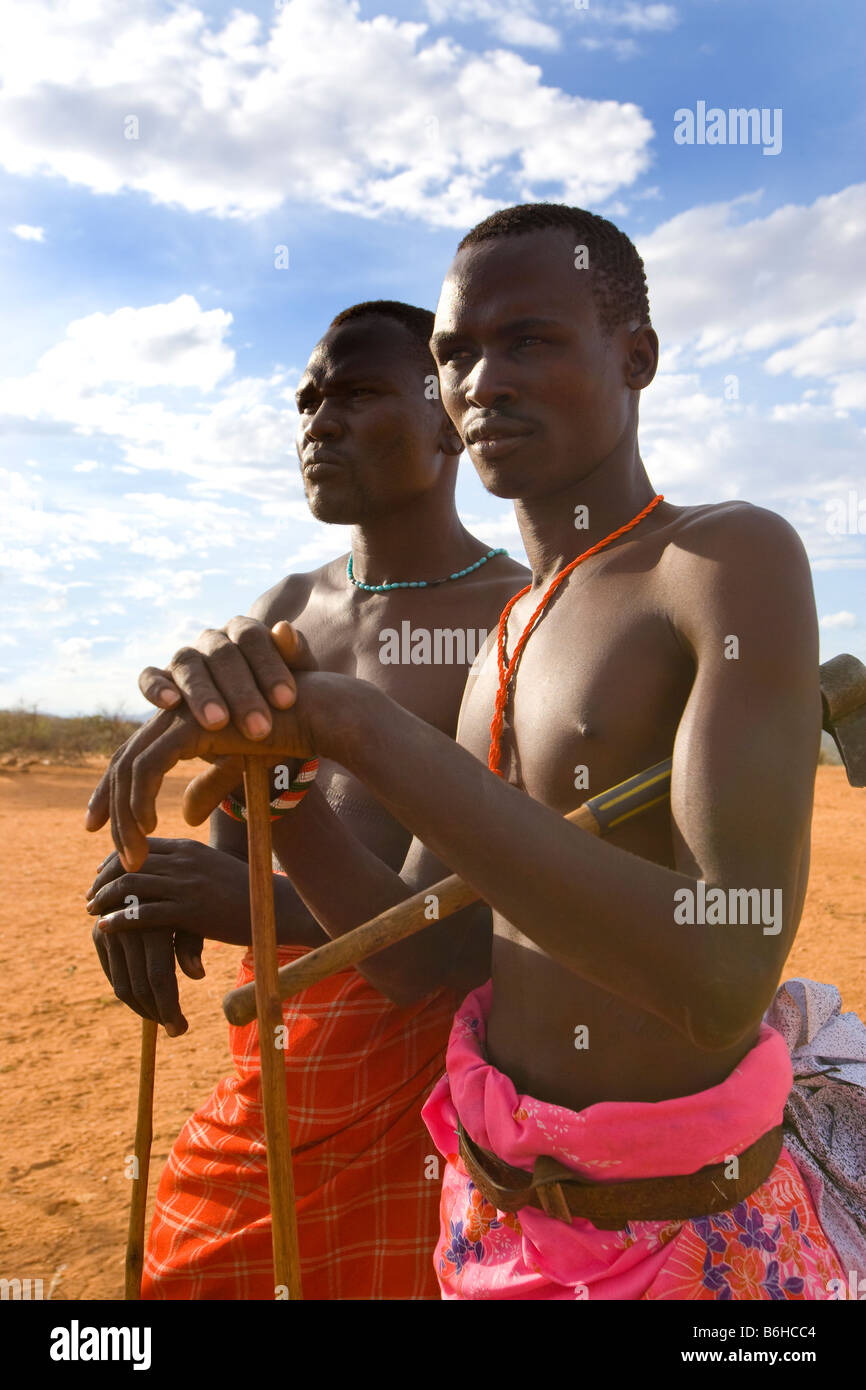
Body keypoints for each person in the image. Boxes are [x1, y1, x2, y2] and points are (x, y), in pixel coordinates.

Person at [92, 207, 846, 1301]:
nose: (481, 378)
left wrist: (357, 722)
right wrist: (280, 770)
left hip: (673, 1237)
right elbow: (415, 955)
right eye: (455, 353)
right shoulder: (504, 637)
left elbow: (723, 972)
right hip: (491, 1221)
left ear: (634, 356)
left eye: (527, 340)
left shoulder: (719, 558)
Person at [85, 299, 527, 1300]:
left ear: (450, 414)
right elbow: (239, 868)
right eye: (307, 398)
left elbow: (437, 945)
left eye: (358, 391)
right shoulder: (281, 612)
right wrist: (148, 888)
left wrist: (254, 853)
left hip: (425, 1097)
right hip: (283, 1071)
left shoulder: (515, 617)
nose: (317, 420)